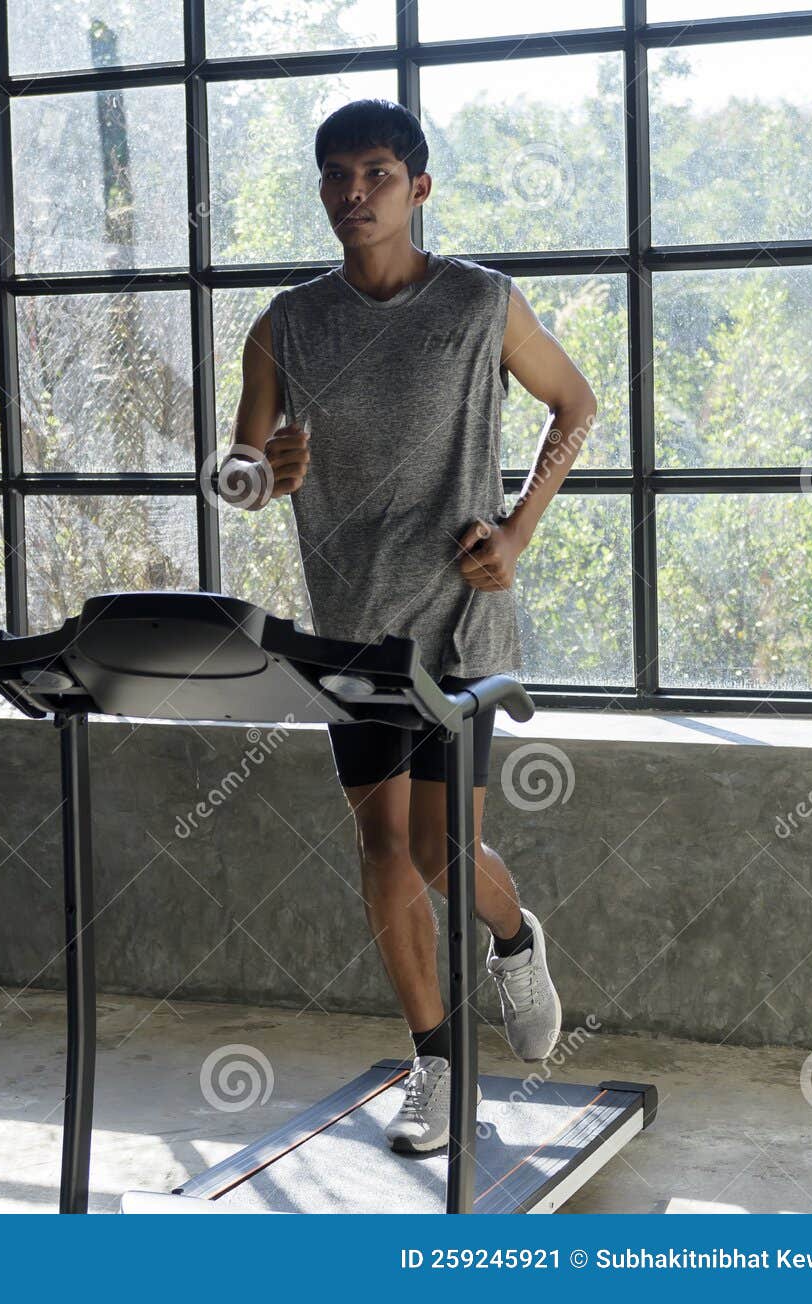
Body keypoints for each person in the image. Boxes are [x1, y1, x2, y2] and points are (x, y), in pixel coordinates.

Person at [220, 98, 597, 1154]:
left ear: (417, 188)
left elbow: (573, 404)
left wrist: (517, 534)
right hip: (350, 630)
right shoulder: (285, 323)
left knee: (439, 848)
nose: (353, 194)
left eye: (376, 173)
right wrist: (259, 473)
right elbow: (233, 472)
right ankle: (434, 1062)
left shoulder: (480, 302)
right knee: (379, 843)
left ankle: (514, 939)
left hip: (460, 621)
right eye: (336, 176)